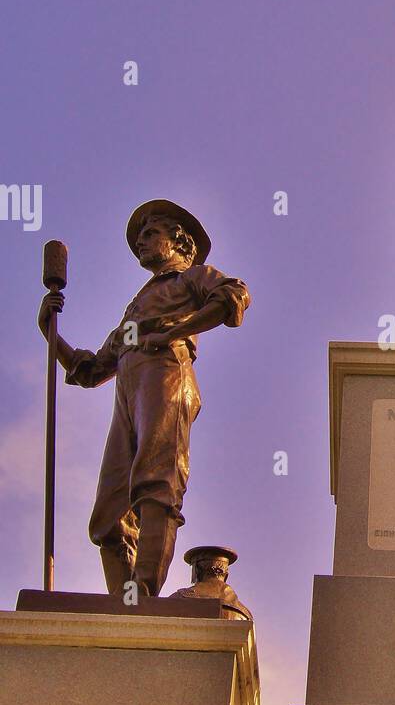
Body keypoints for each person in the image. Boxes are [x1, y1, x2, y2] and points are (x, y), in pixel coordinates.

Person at [38, 199, 250, 598]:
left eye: (151, 234)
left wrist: (172, 332)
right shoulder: (135, 308)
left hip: (166, 375)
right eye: (139, 239)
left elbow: (233, 297)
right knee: (109, 511)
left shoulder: (191, 279)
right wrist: (50, 332)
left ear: (179, 242)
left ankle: (144, 594)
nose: (141, 242)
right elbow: (91, 370)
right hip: (128, 388)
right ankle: (124, 601)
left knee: (157, 482)